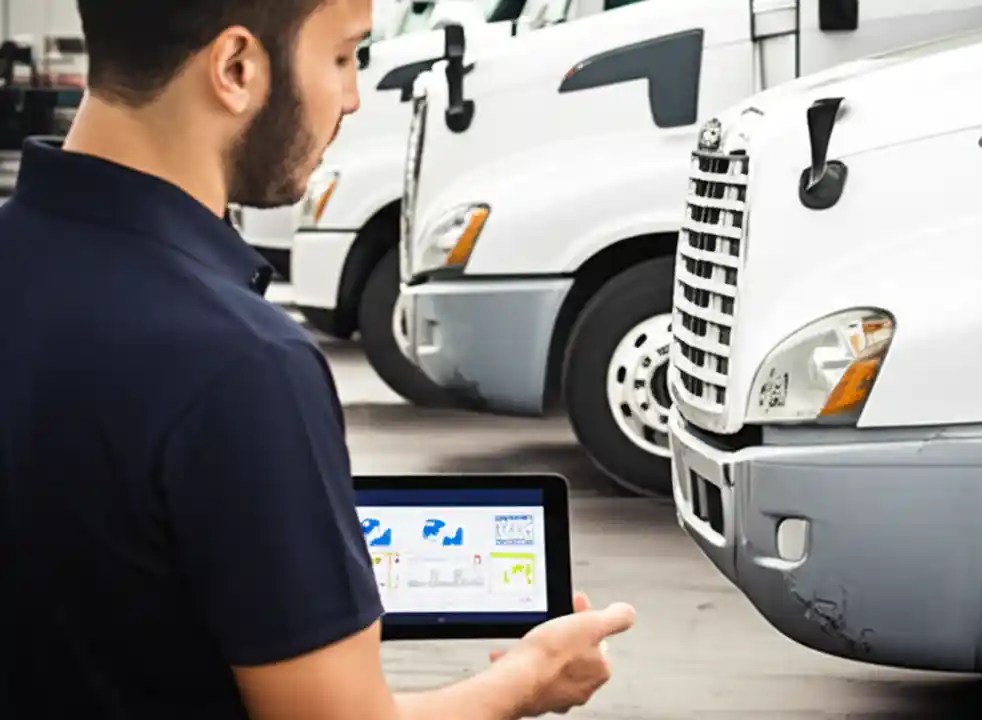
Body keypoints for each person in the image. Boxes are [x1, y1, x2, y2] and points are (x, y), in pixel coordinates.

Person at [0, 1, 636, 718]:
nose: (354, 97)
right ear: (236, 69)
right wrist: (528, 678)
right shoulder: (241, 366)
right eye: (342, 57)